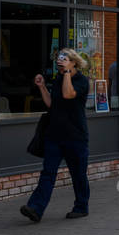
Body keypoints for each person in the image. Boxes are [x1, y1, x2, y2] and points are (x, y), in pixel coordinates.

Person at [21, 48, 91, 222]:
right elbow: (52, 104)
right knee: (48, 173)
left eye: (65, 59)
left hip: (75, 136)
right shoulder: (59, 78)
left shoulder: (82, 81)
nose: (60, 61)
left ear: (74, 62)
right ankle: (35, 209)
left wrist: (67, 72)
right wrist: (42, 86)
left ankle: (81, 207)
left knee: (78, 174)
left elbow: (68, 95)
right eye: (60, 58)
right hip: (54, 135)